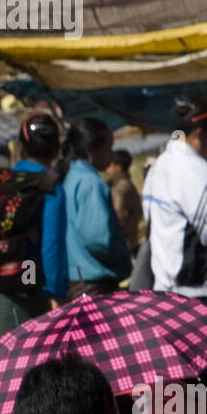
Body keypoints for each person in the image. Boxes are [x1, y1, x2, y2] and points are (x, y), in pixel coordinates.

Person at [142, 94, 207, 300]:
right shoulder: (196, 171)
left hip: (163, 285)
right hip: (197, 292)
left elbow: (149, 217)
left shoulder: (160, 164)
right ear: (199, 134)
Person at [61, 118, 132, 297]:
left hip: (75, 279)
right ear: (90, 150)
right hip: (94, 282)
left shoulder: (71, 177)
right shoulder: (91, 183)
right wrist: (122, 254)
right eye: (108, 147)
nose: (111, 154)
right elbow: (97, 238)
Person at [12, 111, 66, 306]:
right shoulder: (49, 185)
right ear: (55, 149)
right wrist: (56, 292)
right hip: (32, 279)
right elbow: (52, 244)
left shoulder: (7, 179)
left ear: (21, 146)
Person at [105, 148, 143, 255]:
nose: (107, 168)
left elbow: (118, 215)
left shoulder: (119, 188)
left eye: (110, 165)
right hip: (131, 239)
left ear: (118, 167)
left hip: (123, 242)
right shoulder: (128, 184)